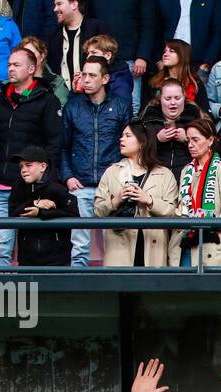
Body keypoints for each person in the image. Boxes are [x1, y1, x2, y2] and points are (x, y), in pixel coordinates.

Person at [0, 47, 64, 267]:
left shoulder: (48, 100)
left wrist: (44, 178)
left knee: (33, 241)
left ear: (31, 69)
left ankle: (32, 289)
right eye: (9, 64)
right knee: (1, 244)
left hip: (33, 185)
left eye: (16, 65)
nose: (11, 69)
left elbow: (54, 143)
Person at [61, 54, 129, 267]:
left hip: (111, 186)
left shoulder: (120, 106)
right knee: (79, 247)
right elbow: (62, 146)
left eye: (92, 75)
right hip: (80, 185)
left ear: (105, 79)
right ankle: (76, 294)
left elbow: (130, 147)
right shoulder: (72, 107)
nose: (86, 80)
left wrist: (121, 178)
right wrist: (68, 176)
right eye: (83, 75)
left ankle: (114, 290)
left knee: (115, 245)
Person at [95, 120, 179, 266]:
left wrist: (149, 200)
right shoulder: (112, 171)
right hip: (119, 247)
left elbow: (174, 212)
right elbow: (98, 211)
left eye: (128, 135)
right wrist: (117, 199)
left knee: (150, 287)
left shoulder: (165, 174)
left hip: (153, 247)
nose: (122, 139)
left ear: (142, 142)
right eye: (122, 136)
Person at [172, 116, 221, 267]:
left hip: (212, 244)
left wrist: (208, 226)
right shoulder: (186, 171)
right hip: (185, 242)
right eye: (188, 140)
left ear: (210, 141)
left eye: (195, 139)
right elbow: (182, 205)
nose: (190, 145)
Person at [8, 143, 77, 265]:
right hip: (26, 259)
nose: (23, 170)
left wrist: (41, 213)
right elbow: (12, 212)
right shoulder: (18, 186)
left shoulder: (57, 187)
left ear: (43, 166)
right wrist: (34, 203)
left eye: (28, 165)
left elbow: (73, 215)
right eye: (21, 166)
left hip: (57, 260)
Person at [139, 77, 201, 176]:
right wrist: (156, 139)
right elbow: (137, 149)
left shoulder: (195, 116)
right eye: (168, 98)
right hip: (156, 175)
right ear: (160, 99)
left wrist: (188, 139)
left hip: (190, 174)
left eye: (177, 98)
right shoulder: (149, 118)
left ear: (184, 97)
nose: (173, 102)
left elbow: (209, 147)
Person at [44, 0, 104, 95]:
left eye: (59, 4)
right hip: (62, 98)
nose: (55, 9)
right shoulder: (53, 35)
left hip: (91, 97)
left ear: (74, 4)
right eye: (55, 5)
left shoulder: (96, 28)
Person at [155, 0, 221, 79]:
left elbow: (218, 32)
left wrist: (207, 63)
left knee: (198, 91)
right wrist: (158, 61)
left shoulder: (212, 1)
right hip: (168, 65)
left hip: (198, 65)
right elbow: (155, 30)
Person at [146, 39, 209, 113]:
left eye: (171, 51)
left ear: (182, 55)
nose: (165, 54)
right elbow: (145, 112)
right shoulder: (154, 83)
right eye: (165, 51)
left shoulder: (196, 85)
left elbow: (205, 115)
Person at [82, 33, 134, 108]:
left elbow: (122, 109)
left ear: (108, 55)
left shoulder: (120, 79)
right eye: (88, 53)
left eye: (94, 53)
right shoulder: (89, 72)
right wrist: (75, 91)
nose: (88, 57)